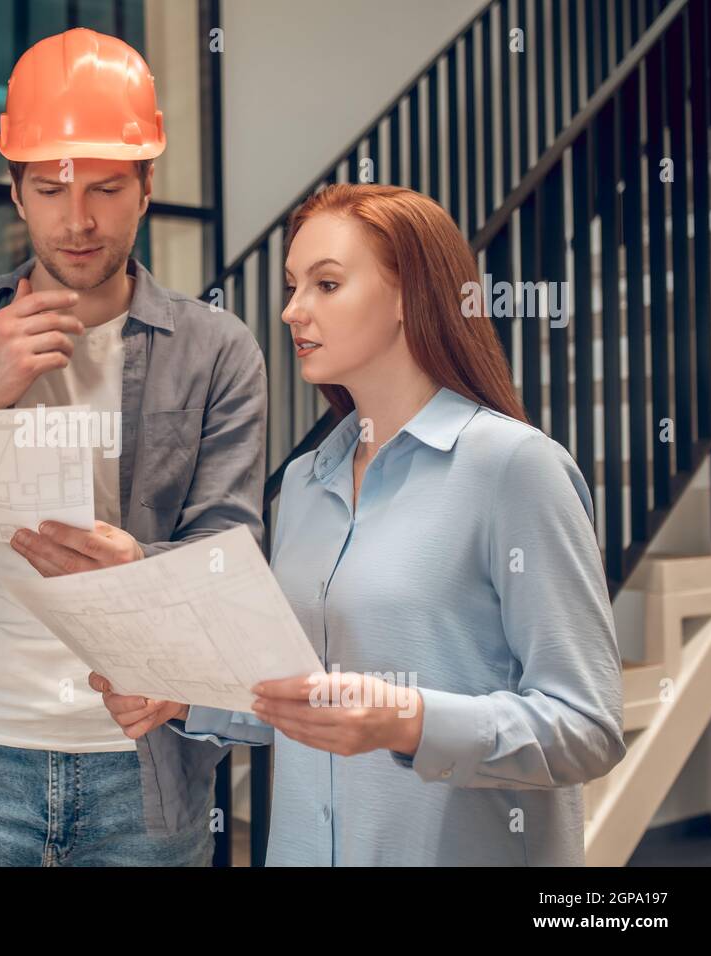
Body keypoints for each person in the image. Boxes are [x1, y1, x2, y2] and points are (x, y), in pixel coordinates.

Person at [0, 28, 267, 866]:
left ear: (146, 187)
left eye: (106, 187)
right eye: (51, 189)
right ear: (17, 192)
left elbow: (230, 555)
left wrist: (135, 558)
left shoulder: (217, 349)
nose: (79, 221)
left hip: (143, 776)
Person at [94, 183, 626, 865]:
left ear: (409, 296)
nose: (292, 310)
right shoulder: (305, 482)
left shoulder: (516, 471)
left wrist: (407, 722)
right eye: (292, 286)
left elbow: (587, 727)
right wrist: (186, 696)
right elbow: (305, 692)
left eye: (326, 284)